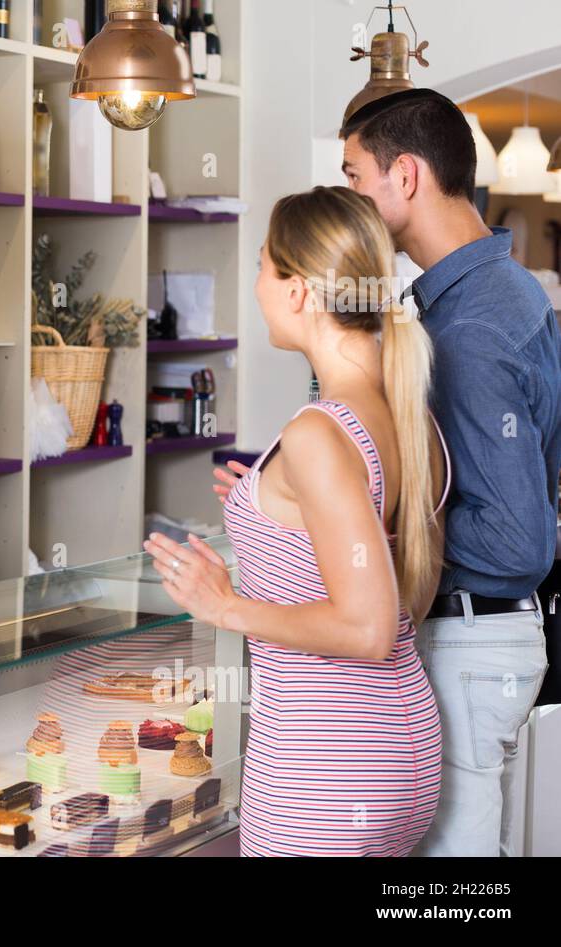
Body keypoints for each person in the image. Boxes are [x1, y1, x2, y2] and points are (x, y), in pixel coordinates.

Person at [145, 187, 450, 856]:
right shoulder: (402, 411)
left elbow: (369, 627)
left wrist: (226, 605)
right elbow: (398, 586)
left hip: (324, 766)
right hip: (401, 752)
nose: (255, 286)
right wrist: (268, 500)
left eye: (262, 265)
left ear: (299, 290)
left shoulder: (317, 431)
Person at [340, 88, 558, 857]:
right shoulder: (505, 292)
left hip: (469, 640)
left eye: (354, 174)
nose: (351, 195)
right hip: (486, 639)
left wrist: (363, 527)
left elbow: (516, 539)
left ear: (404, 175)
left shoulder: (468, 327)